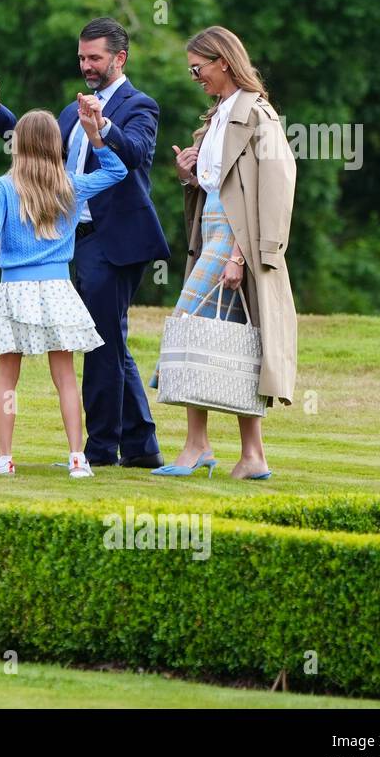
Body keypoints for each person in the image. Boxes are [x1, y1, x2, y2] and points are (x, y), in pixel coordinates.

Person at [0, 17, 171, 469]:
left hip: (118, 239)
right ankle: (142, 446)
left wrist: (102, 127)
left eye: (95, 58)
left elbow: (138, 155)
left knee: (102, 342)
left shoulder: (139, 105)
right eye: (82, 57)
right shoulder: (71, 112)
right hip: (76, 242)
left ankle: (100, 450)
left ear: (119, 58)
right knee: (109, 340)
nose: (87, 65)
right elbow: (38, 148)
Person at [0, 99, 126, 478]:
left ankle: (4, 459)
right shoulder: (72, 185)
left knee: (7, 380)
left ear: (19, 144)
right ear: (55, 144)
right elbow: (118, 170)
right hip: (59, 289)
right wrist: (95, 136)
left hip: (17, 292)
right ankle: (78, 459)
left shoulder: (4, 187)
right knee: (65, 378)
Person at [150, 25, 298, 480]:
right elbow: (219, 186)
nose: (196, 76)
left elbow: (274, 187)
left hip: (236, 241)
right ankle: (248, 455)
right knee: (231, 345)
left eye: (199, 68)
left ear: (224, 63)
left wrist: (242, 255)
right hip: (210, 231)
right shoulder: (218, 115)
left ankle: (200, 445)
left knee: (188, 326)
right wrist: (189, 174)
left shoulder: (260, 116)